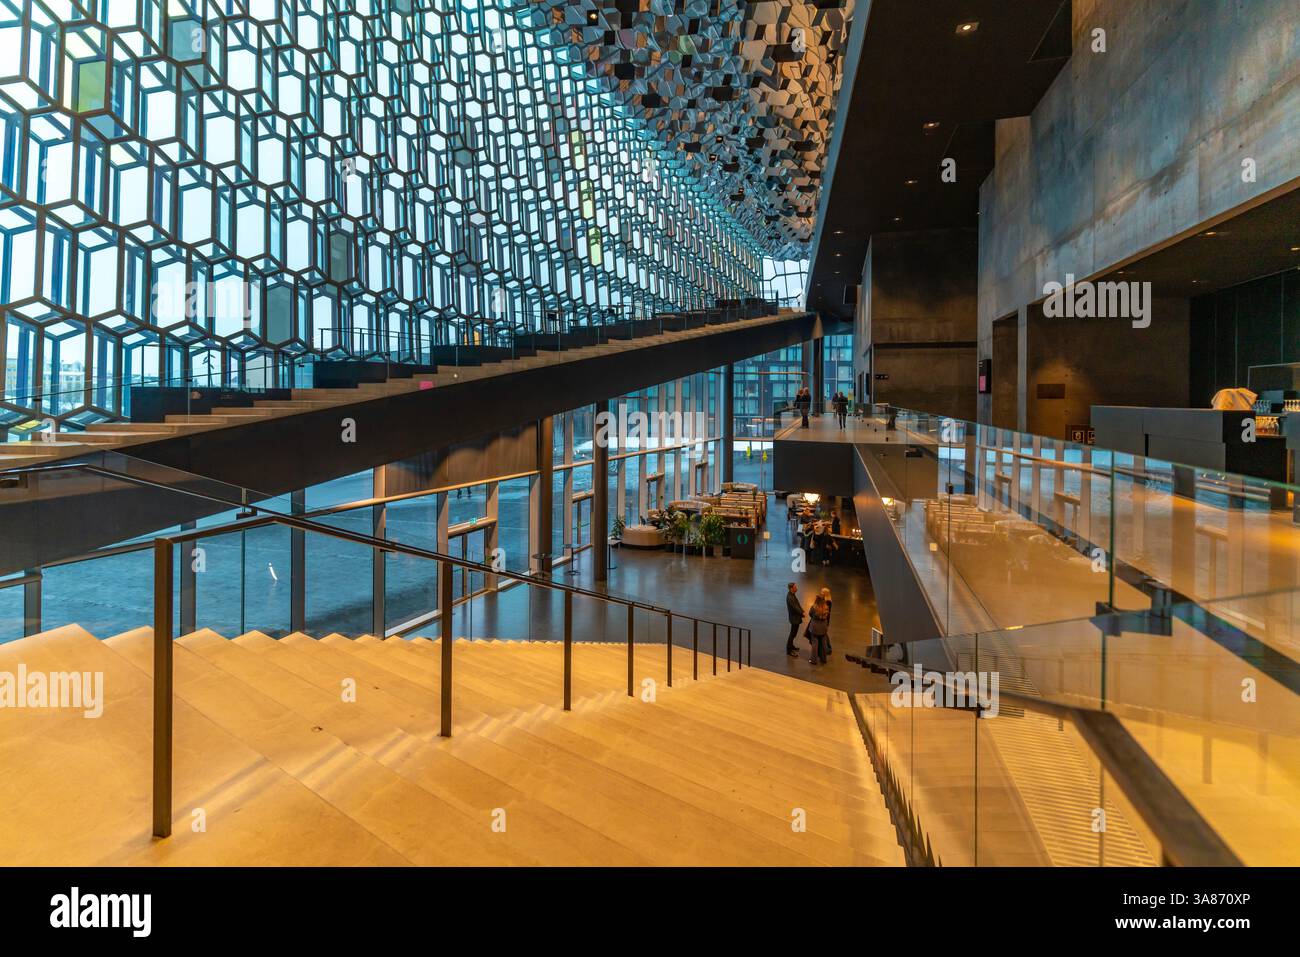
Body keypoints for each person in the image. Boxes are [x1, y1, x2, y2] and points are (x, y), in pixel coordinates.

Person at [806, 594, 830, 665]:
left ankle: (813, 660)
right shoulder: (826, 608)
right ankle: (823, 659)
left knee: (815, 644)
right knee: (823, 644)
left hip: (815, 628)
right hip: (823, 627)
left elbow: (810, 614)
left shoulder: (814, 608)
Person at [784, 582, 804, 657]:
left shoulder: (792, 595)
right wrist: (802, 613)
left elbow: (797, 605)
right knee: (792, 634)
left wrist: (802, 611)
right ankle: (789, 650)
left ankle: (791, 646)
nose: (797, 588)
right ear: (791, 588)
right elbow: (795, 607)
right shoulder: (790, 597)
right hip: (794, 618)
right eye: (795, 587)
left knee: (794, 634)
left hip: (795, 618)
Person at [820, 587, 834, 656]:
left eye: (822, 592)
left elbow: (825, 613)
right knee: (825, 634)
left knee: (825, 635)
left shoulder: (827, 602)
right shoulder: (826, 600)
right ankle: (828, 648)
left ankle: (828, 649)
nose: (820, 593)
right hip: (825, 621)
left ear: (825, 593)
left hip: (825, 621)